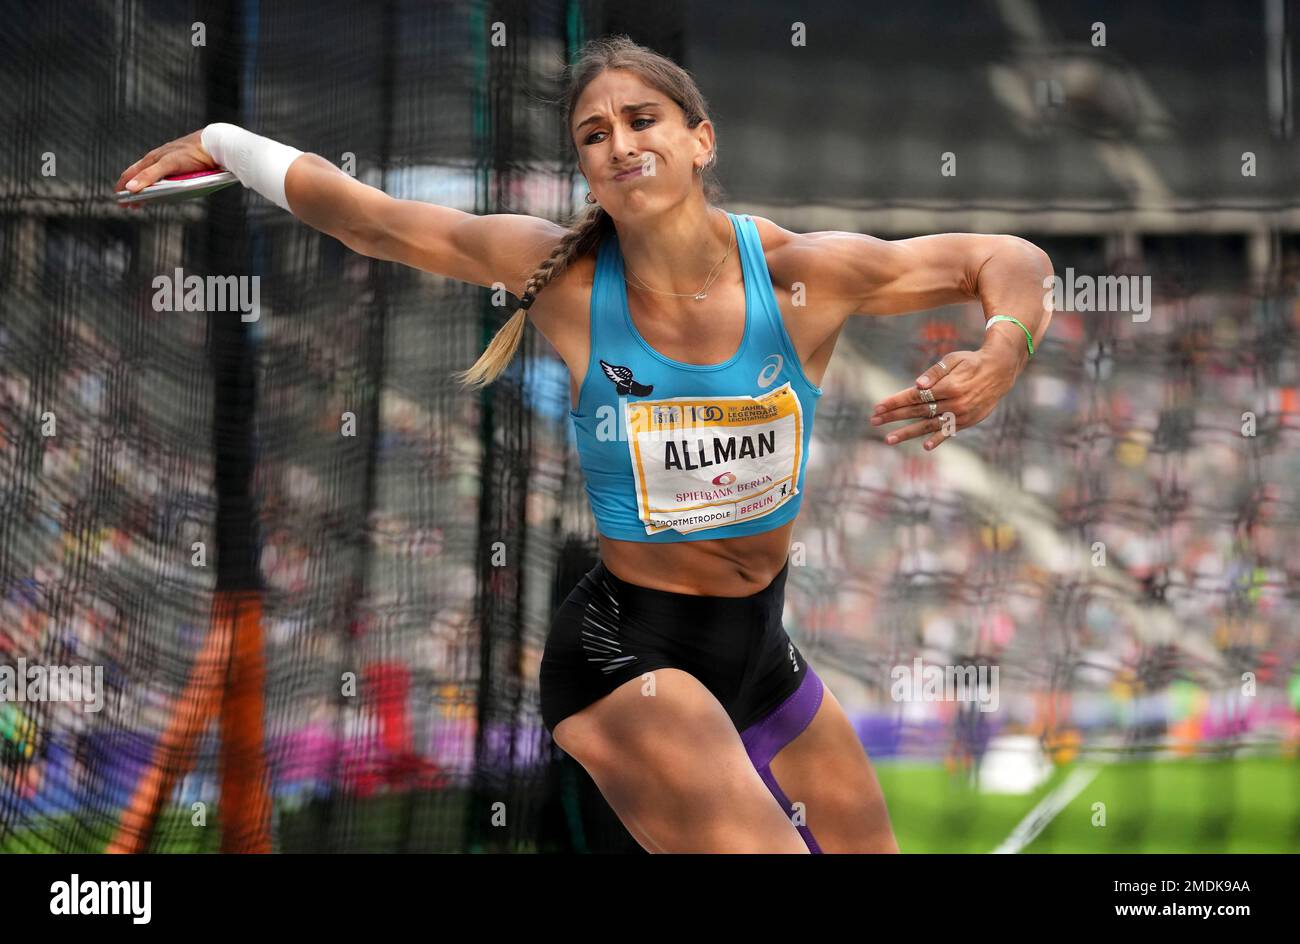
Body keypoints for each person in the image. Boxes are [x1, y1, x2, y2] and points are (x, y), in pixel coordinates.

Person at [116, 35, 1051, 853]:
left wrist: (1004, 347)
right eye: (595, 136)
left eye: (643, 119)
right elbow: (372, 218)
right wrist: (227, 145)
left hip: (760, 648)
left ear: (701, 140)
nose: (620, 144)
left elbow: (1007, 259)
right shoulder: (562, 280)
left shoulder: (806, 275)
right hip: (623, 652)